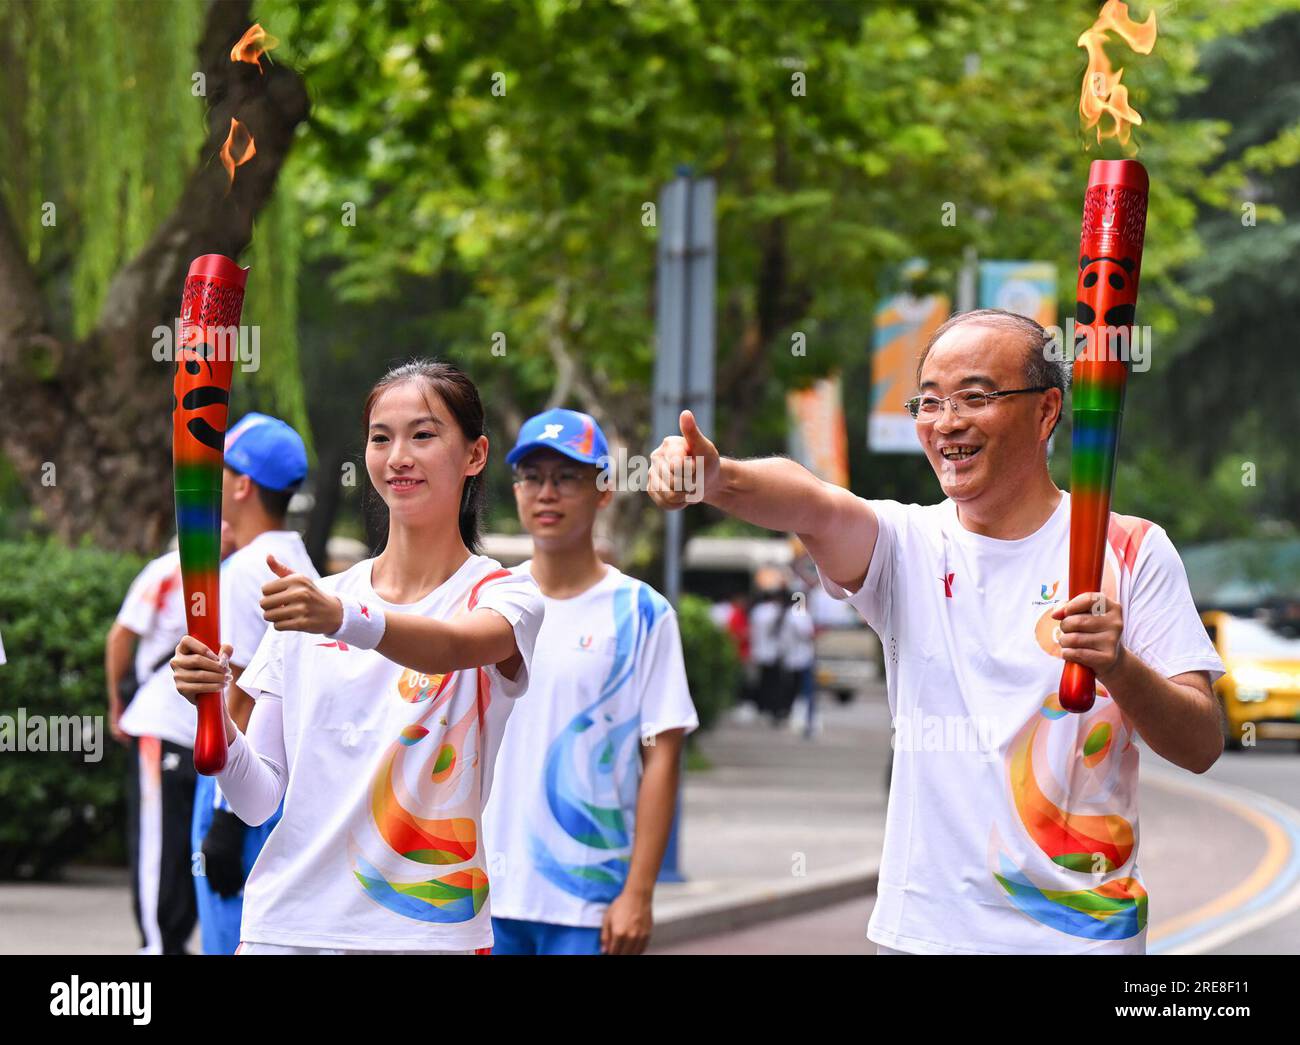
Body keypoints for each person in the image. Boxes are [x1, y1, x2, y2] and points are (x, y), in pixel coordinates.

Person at [647, 308, 1225, 956]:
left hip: (1082, 938)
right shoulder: (906, 545)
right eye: (928, 402)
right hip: (925, 934)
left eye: (975, 397)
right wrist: (720, 478)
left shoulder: (1133, 551)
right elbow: (812, 502)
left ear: (1046, 411)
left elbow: (1201, 740)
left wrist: (1120, 666)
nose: (946, 422)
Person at [171, 360, 543, 954]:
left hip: (425, 931)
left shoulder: (502, 595)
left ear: (474, 455)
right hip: (286, 930)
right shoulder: (314, 603)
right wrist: (211, 712)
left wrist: (345, 620)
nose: (398, 455)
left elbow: (452, 647)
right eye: (380, 437)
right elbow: (258, 798)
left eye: (423, 435)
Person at [482, 409, 698, 955]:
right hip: (480, 896)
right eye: (532, 477)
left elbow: (662, 758)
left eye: (566, 478)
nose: (546, 493)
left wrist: (639, 893)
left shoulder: (642, 613)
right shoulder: (486, 602)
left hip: (586, 901)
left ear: (604, 491)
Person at [191, 413, 318, 956]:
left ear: (242, 484)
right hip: (284, 782)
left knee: (233, 936)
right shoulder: (301, 563)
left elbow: (240, 696)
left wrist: (223, 819)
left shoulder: (246, 571)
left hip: (237, 779)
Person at [108, 526, 232, 954]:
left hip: (212, 742)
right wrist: (116, 706)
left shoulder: (240, 573)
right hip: (161, 729)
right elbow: (121, 636)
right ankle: (158, 947)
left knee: (191, 848)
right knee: (159, 846)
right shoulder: (167, 570)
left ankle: (174, 943)